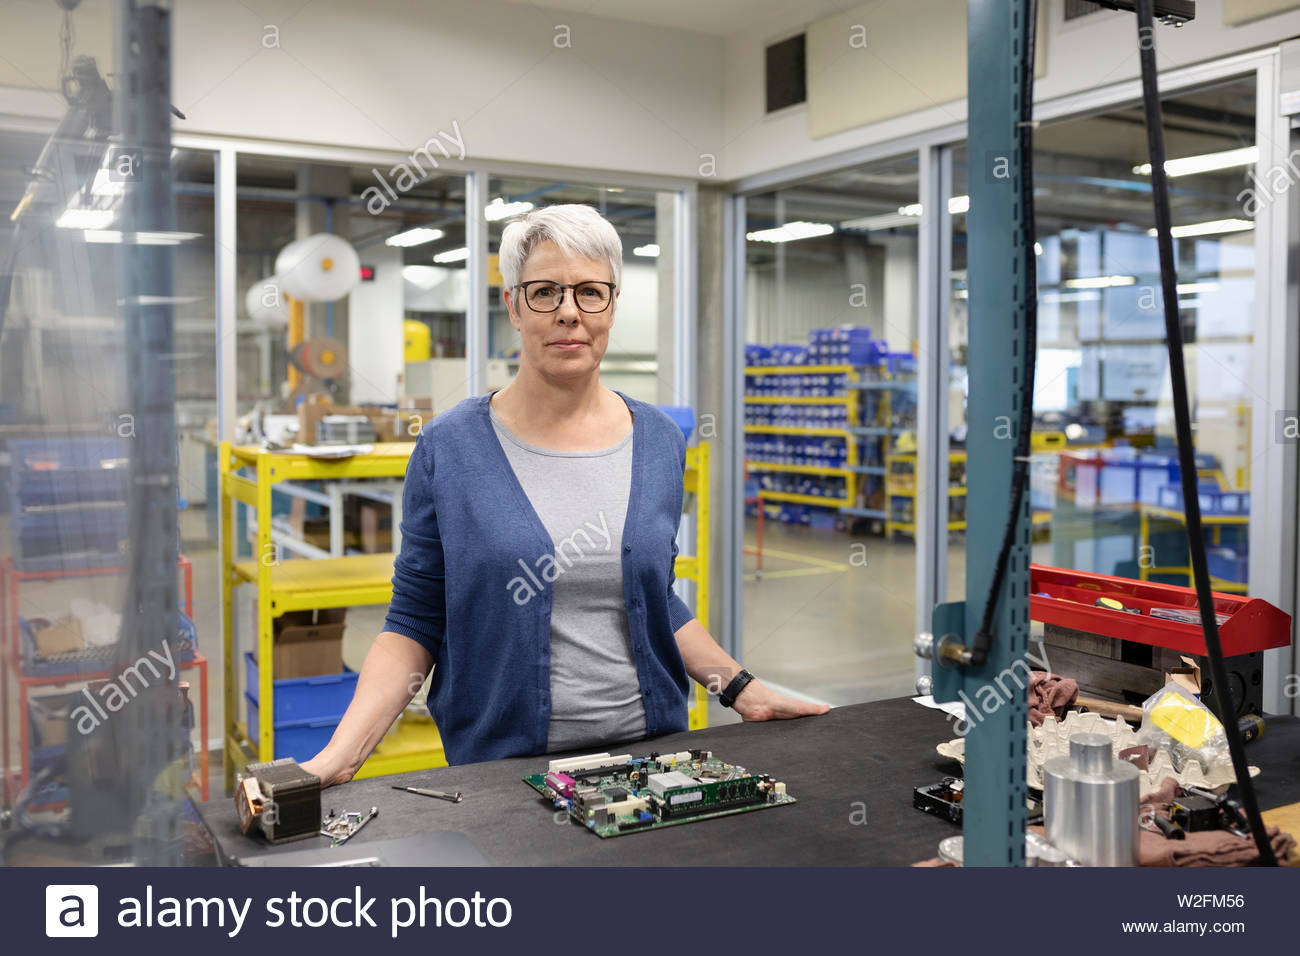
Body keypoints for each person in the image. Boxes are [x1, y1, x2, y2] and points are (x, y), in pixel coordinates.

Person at [303, 204, 826, 787]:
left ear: (613, 304)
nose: (569, 313)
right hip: (504, 768)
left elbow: (651, 598)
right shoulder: (449, 447)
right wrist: (341, 757)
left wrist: (740, 688)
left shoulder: (657, 439)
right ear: (513, 306)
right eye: (546, 292)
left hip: (651, 762)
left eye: (590, 292)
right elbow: (415, 621)